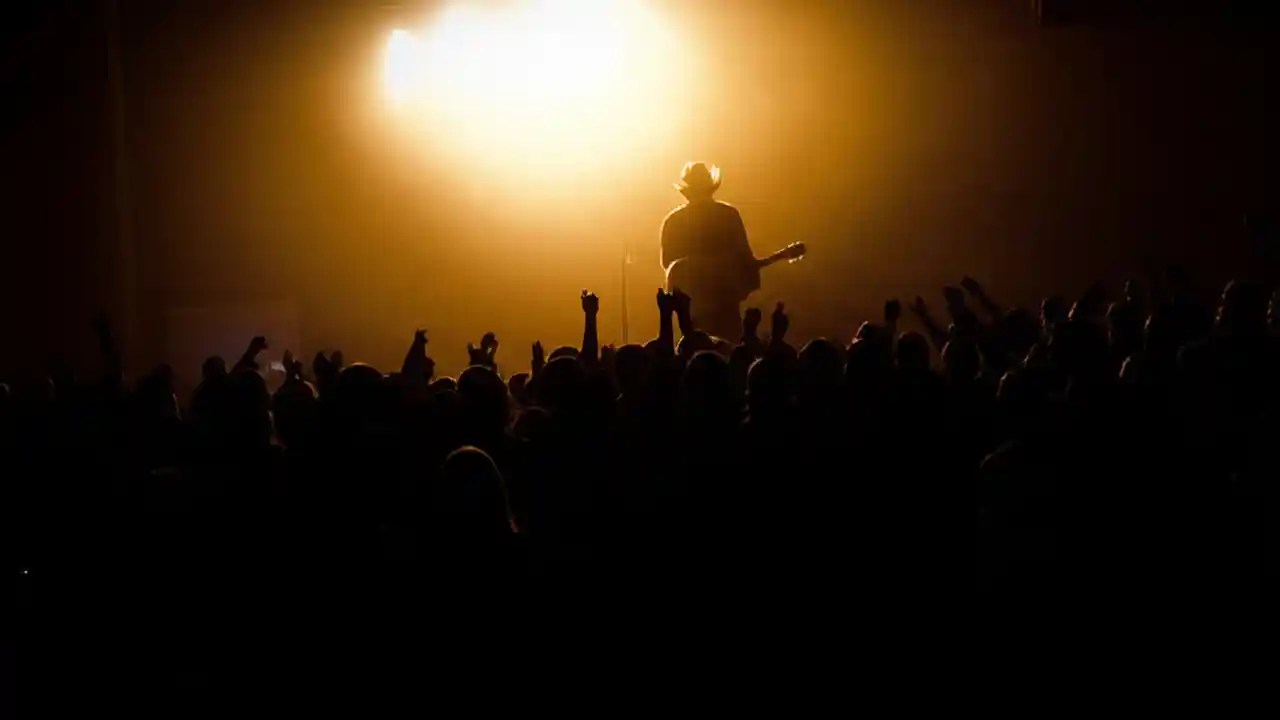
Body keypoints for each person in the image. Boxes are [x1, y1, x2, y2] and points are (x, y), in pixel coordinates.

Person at [660, 162, 758, 339]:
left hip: (691, 305)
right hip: (724, 300)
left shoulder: (673, 220)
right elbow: (746, 259)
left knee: (693, 348)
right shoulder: (729, 215)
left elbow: (667, 263)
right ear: (711, 187)